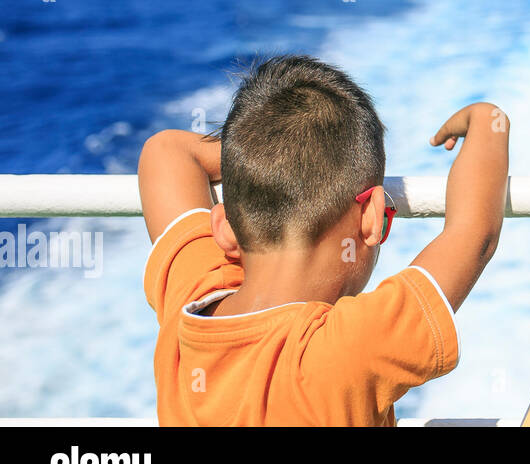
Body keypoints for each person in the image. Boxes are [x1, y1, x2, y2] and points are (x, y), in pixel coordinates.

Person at [138, 54, 509, 425]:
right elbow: (474, 234)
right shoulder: (350, 348)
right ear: (371, 217)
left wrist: (267, 163)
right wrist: (489, 120)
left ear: (224, 228)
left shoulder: (190, 303)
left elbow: (167, 151)